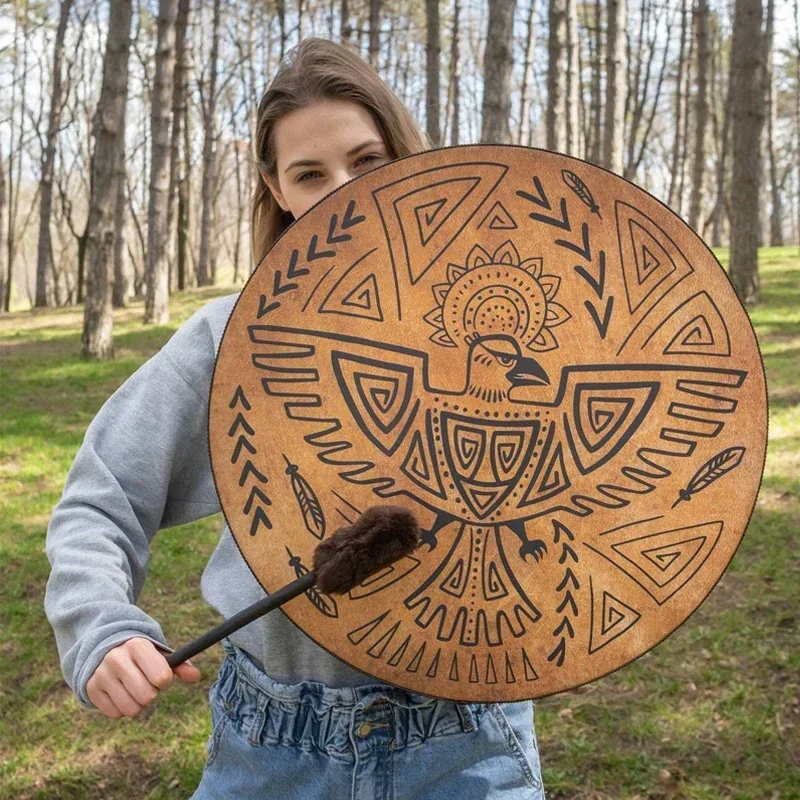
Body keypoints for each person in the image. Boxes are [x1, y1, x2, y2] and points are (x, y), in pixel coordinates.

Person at [44, 38, 546, 799]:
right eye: (311, 173)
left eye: (366, 160)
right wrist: (100, 627)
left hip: (466, 740)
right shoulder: (230, 342)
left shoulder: (510, 331)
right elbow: (100, 497)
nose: (342, 190)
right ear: (276, 189)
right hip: (273, 745)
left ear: (406, 159)